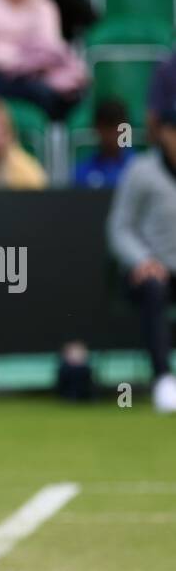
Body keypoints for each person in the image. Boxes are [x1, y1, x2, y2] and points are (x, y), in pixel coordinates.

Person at [107, 93, 176, 413]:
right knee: (154, 289)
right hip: (149, 271)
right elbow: (120, 228)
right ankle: (163, 379)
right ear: (163, 134)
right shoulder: (141, 171)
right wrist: (142, 260)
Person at [73, 97, 134, 189]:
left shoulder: (138, 168)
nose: (113, 134)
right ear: (97, 129)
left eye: (119, 128)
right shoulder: (81, 172)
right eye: (107, 127)